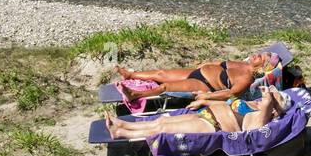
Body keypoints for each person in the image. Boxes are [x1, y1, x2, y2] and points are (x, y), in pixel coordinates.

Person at [103, 87, 288, 141]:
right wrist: (205, 102)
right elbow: (228, 103)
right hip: (206, 115)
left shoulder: (261, 119)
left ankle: (120, 133)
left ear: (274, 108)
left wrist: (270, 98)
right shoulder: (253, 107)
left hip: (211, 126)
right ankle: (123, 124)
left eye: (274, 97)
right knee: (161, 121)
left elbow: (267, 104)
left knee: (163, 129)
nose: (267, 96)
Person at [115, 52, 274, 101]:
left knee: (165, 87)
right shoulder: (242, 63)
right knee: (161, 73)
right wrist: (206, 64)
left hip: (204, 84)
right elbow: (220, 63)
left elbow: (231, 94)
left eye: (260, 57)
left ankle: (135, 95)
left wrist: (207, 96)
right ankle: (130, 74)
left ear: (263, 66)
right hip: (198, 71)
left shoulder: (247, 77)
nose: (256, 54)